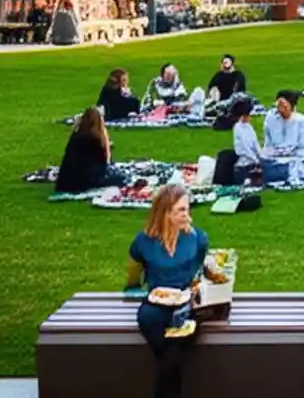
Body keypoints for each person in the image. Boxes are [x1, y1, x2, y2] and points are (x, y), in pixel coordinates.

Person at [124, 185, 209, 398]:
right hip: (156, 302)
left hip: (187, 303)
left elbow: (200, 266)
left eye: (187, 209)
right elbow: (134, 267)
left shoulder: (197, 238)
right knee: (152, 323)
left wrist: (196, 284)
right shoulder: (144, 241)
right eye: (181, 210)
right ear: (166, 212)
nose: (187, 214)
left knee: (180, 335)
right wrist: (133, 286)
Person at [56, 107, 123, 193]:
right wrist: (106, 142)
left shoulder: (76, 135)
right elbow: (106, 162)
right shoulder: (95, 139)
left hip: (66, 181)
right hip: (85, 181)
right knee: (122, 178)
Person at [263, 90, 304, 157]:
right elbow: (268, 144)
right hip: (273, 158)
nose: (281, 109)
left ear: (292, 107)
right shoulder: (270, 118)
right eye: (279, 105)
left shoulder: (303, 122)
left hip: (294, 160)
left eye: (284, 106)